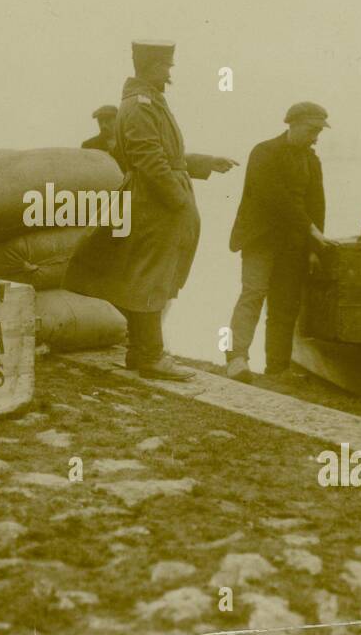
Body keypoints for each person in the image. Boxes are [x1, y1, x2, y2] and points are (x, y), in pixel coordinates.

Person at [64, 40, 237, 381]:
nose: (170, 73)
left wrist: (203, 163)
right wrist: (177, 198)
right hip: (154, 203)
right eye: (165, 66)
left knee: (147, 276)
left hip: (154, 198)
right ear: (149, 66)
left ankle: (140, 352)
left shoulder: (149, 102)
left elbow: (165, 155)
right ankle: (153, 356)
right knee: (150, 278)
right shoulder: (141, 105)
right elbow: (149, 158)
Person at [224, 102, 330, 383]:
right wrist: (310, 228)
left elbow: (317, 204)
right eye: (312, 130)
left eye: (319, 131)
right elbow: (275, 197)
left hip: (293, 243)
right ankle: (236, 359)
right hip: (260, 238)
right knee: (254, 293)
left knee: (285, 305)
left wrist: (314, 248)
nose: (315, 137)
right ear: (292, 124)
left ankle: (277, 369)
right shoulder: (264, 152)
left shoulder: (312, 160)